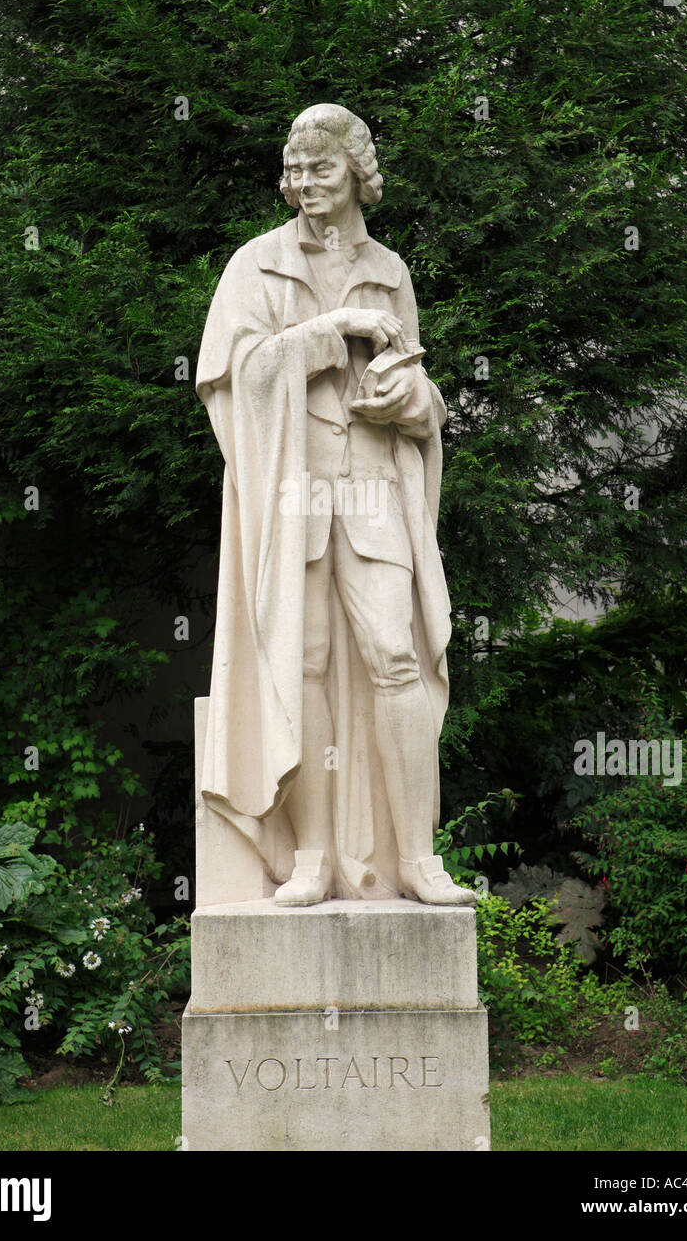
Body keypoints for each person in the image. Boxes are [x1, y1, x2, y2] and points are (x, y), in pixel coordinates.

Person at [196, 103, 474, 907]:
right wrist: (334, 328)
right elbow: (233, 378)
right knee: (304, 659)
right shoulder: (255, 265)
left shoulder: (390, 269)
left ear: (357, 171)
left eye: (321, 168)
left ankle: (417, 859)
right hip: (292, 491)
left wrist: (411, 402)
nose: (304, 183)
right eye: (294, 170)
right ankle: (312, 856)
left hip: (373, 485)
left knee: (397, 654)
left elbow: (421, 391)